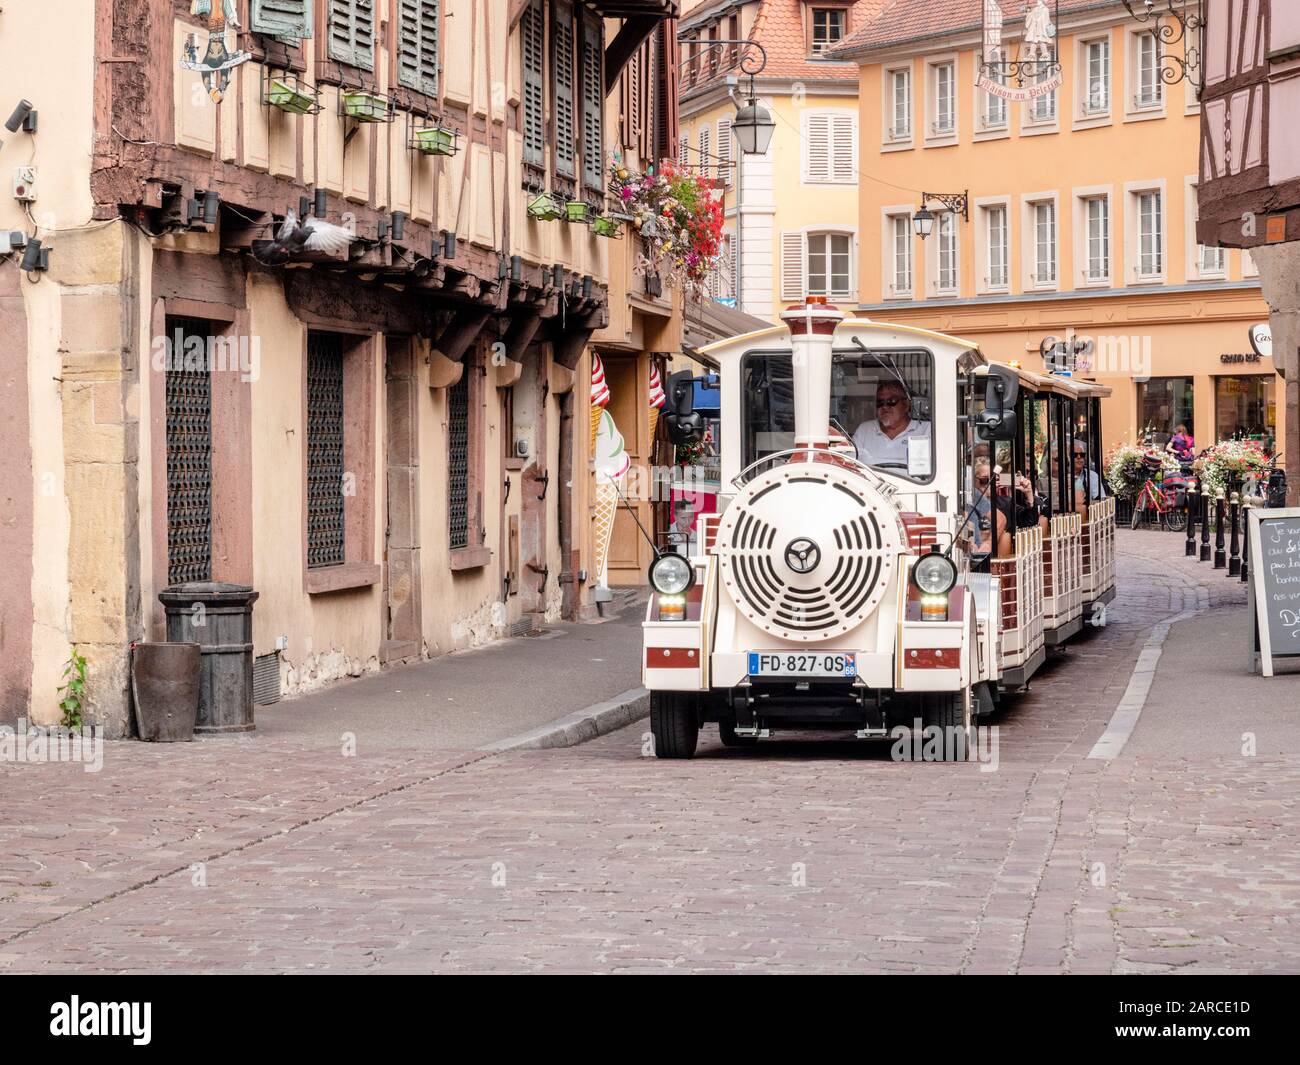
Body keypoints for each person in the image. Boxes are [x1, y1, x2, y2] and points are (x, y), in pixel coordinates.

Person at [853, 380, 931, 474]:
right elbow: (851, 463)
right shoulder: (864, 430)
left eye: (891, 401)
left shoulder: (926, 430)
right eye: (880, 402)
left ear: (906, 405)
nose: (885, 407)